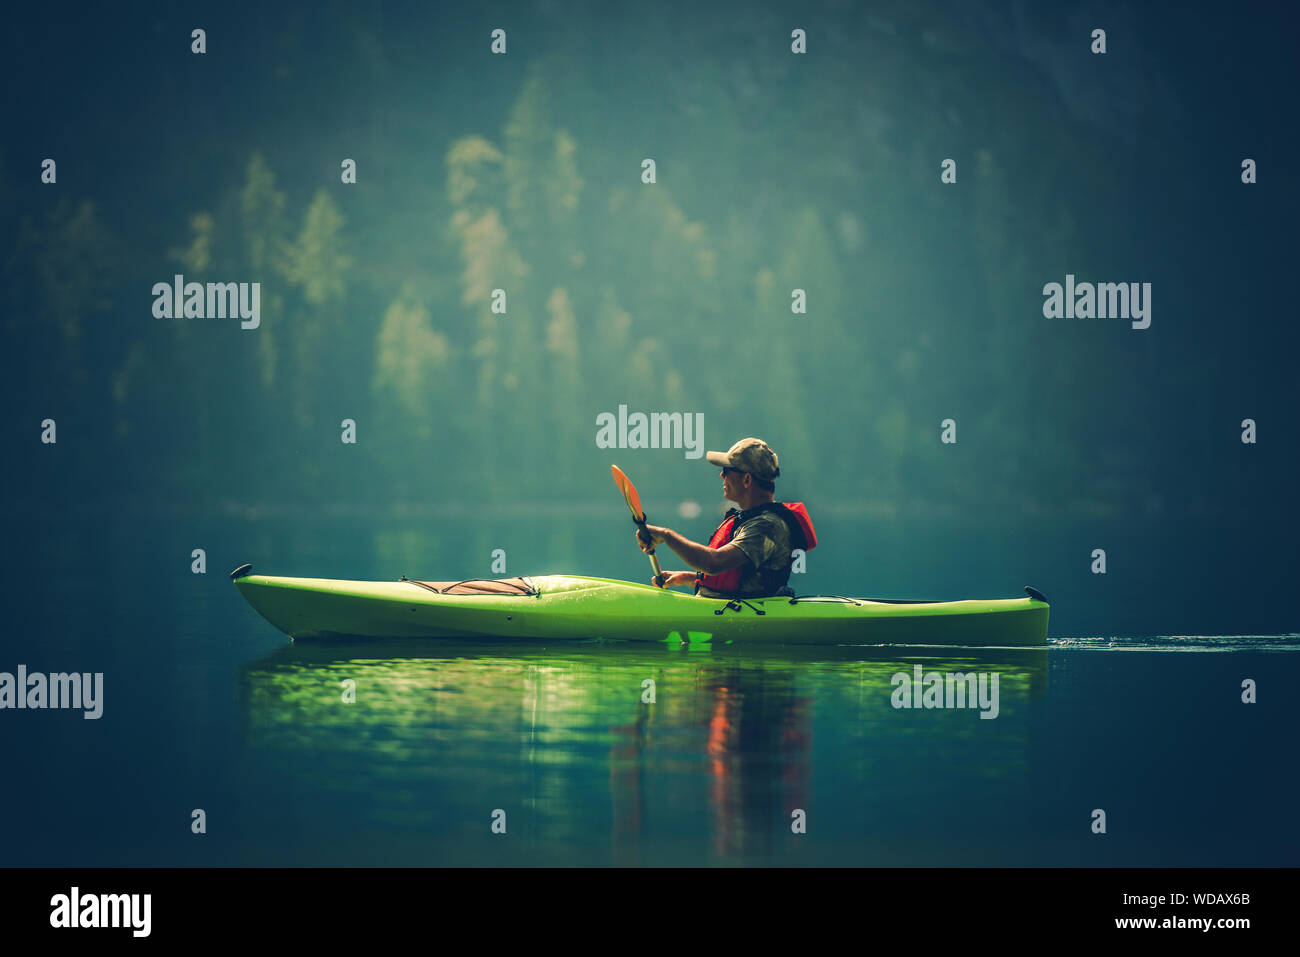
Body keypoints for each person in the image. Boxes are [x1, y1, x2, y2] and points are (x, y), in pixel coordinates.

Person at [635, 437, 817, 598]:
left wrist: (666, 535)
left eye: (727, 470)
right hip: (736, 606)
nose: (722, 475)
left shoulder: (767, 526)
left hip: (749, 613)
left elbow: (714, 562)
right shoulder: (752, 519)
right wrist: (689, 578)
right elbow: (744, 577)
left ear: (747, 480)